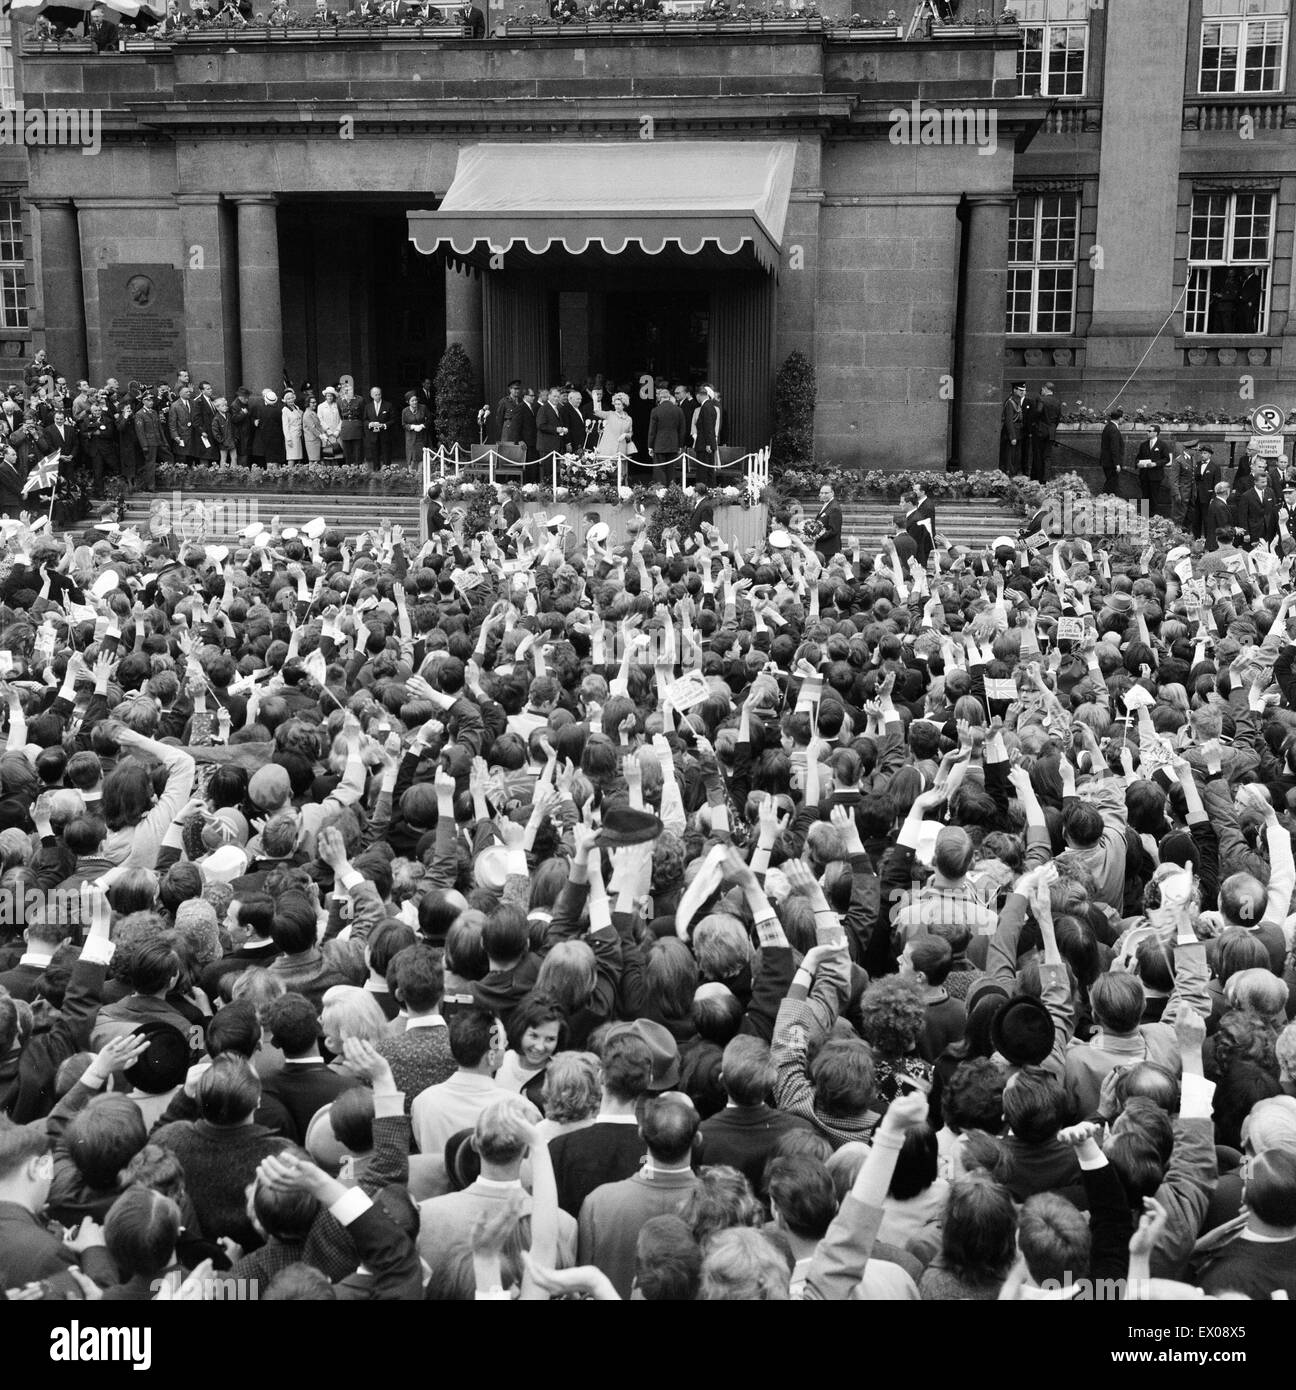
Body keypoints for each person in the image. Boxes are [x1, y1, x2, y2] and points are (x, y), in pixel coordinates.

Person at [1028, 381, 1061, 483]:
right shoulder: (1057, 401)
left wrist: (1032, 421)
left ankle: (1039, 480)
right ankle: (1046, 479)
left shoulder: (1041, 399)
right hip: (1051, 432)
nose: (1041, 391)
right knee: (1047, 456)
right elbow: (1058, 418)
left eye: (1042, 389)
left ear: (1046, 389)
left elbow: (1038, 411)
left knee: (1038, 455)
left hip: (1040, 431)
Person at [590, 389, 636, 461]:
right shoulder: (610, 414)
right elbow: (597, 412)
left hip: (621, 448)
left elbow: (630, 433)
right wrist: (595, 400)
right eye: (615, 404)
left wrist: (625, 435)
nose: (616, 406)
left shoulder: (628, 419)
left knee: (620, 469)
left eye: (619, 404)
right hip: (608, 447)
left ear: (624, 405)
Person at [1134, 424, 1169, 514]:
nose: (1147, 433)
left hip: (1155, 476)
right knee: (1144, 497)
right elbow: (1138, 457)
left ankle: (1153, 518)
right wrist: (1138, 463)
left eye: (1150, 431)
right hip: (1144, 475)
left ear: (1156, 433)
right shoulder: (1143, 445)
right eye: (1147, 431)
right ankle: (1144, 517)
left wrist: (1155, 464)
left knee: (1154, 497)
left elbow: (1166, 459)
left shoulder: (1162, 445)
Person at [648, 387, 684, 470]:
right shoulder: (679, 410)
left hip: (659, 444)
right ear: (669, 397)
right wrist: (680, 445)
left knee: (660, 471)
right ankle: (671, 483)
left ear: (660, 398)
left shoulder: (655, 411)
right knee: (671, 470)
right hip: (674, 444)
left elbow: (652, 431)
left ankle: (661, 483)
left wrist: (650, 446)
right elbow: (682, 430)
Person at [363, 386, 395, 471]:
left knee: (386, 454)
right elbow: (365, 420)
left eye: (379, 394)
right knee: (375, 455)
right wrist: (370, 424)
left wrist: (384, 425)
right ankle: (376, 472)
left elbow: (393, 420)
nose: (378, 396)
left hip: (385, 434)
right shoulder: (368, 406)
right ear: (371, 395)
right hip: (373, 434)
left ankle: (387, 471)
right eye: (376, 395)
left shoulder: (388, 405)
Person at [999, 382, 1026, 475]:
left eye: (1024, 390)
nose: (1023, 392)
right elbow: (1009, 420)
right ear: (1014, 390)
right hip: (1012, 432)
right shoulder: (1010, 402)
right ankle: (1009, 473)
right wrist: (1012, 436)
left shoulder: (1017, 400)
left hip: (1018, 431)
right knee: (1010, 456)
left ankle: (1013, 473)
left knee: (1016, 456)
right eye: (1020, 390)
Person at [1098, 408, 1123, 494]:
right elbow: (1114, 447)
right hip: (1111, 463)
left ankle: (1107, 501)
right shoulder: (1113, 429)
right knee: (1111, 485)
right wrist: (1117, 463)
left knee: (1111, 484)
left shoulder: (1108, 427)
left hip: (1107, 462)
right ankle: (1104, 502)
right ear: (1120, 418)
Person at [282, 389, 305, 465]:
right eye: (288, 399)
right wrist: (288, 439)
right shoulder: (285, 410)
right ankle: (289, 473)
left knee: (298, 457)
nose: (291, 400)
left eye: (292, 398)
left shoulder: (296, 407)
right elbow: (285, 426)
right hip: (291, 436)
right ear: (285, 400)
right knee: (291, 457)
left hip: (298, 435)